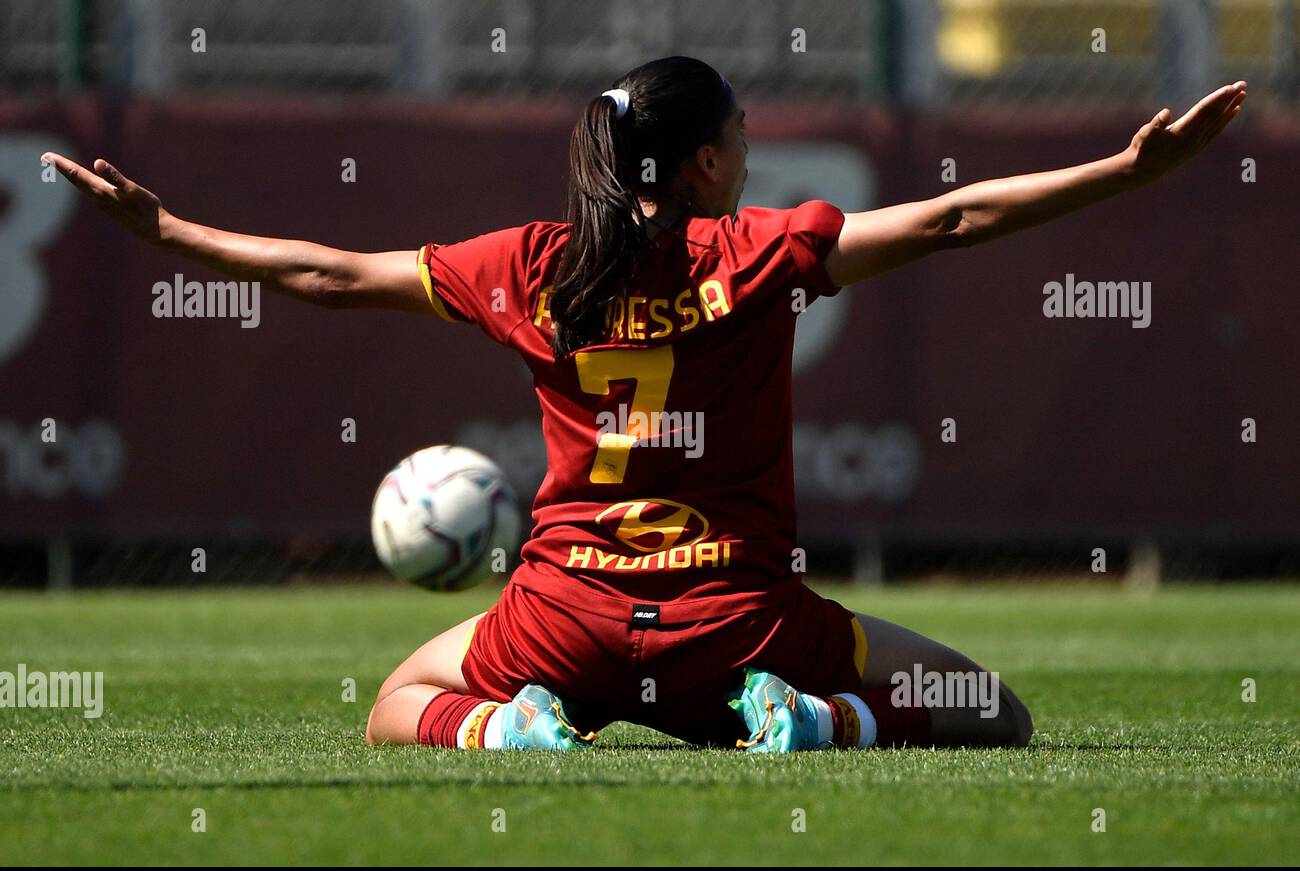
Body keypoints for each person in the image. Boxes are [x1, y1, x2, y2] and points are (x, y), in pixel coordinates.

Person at [44, 56, 1246, 752]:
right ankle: (819, 725)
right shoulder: (758, 251)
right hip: (741, 624)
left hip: (559, 621)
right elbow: (951, 217)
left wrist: (165, 232)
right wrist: (1125, 173)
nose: (750, 149)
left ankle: (505, 732)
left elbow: (326, 276)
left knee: (397, 704)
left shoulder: (528, 263)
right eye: (741, 134)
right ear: (710, 165)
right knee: (996, 712)